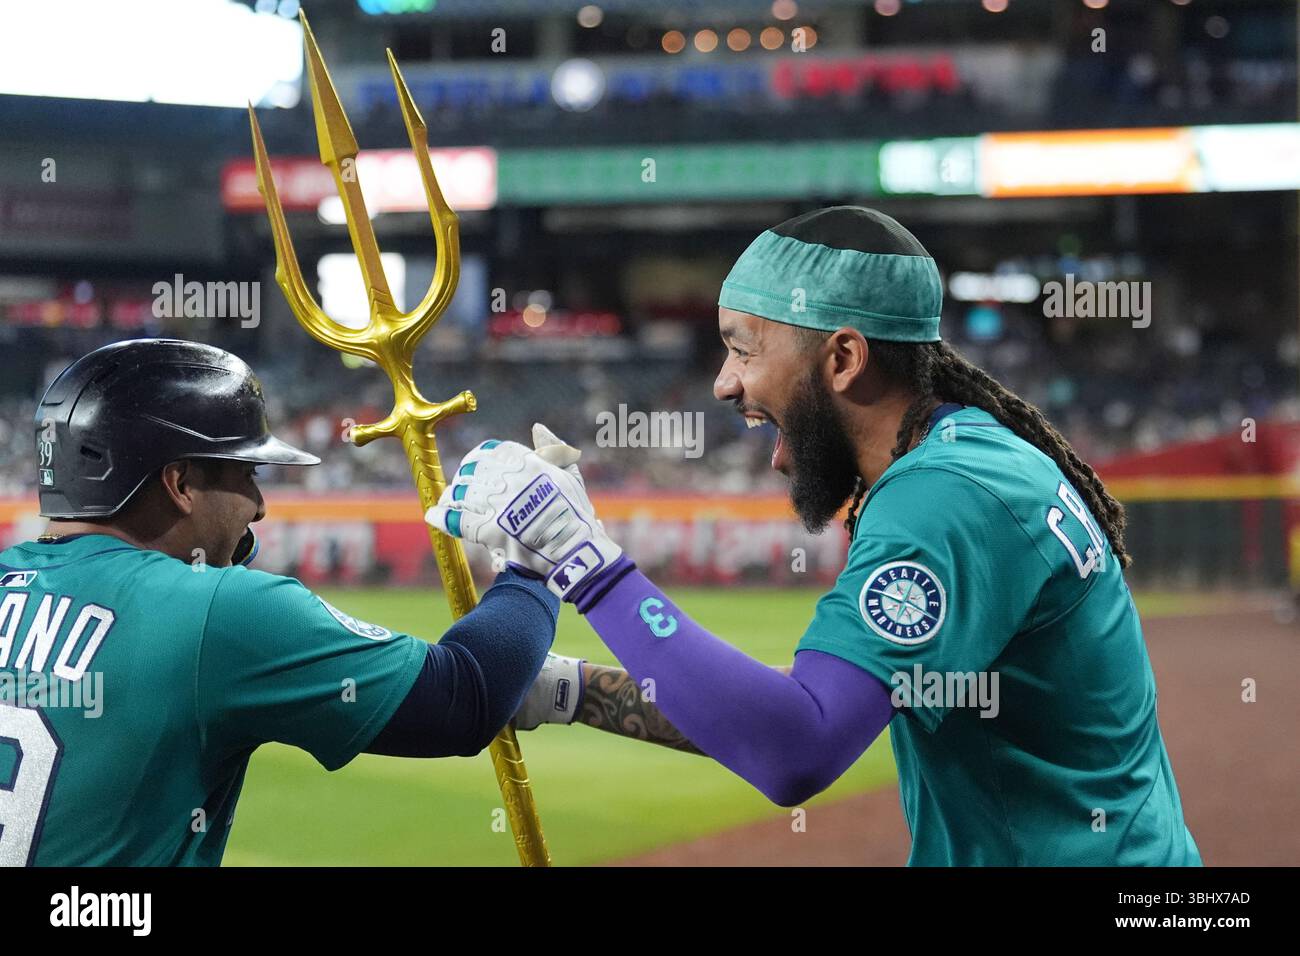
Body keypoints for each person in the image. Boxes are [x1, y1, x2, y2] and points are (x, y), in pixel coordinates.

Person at [430, 206, 1202, 866]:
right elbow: (808, 703)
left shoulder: (942, 500)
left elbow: (796, 746)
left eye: (743, 348)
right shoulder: (961, 460)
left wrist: (580, 558)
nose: (724, 384)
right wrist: (566, 690)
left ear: (842, 358)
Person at [0, 338, 557, 866]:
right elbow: (462, 697)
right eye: (247, 474)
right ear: (180, 483)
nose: (260, 506)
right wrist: (537, 557)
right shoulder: (217, 611)